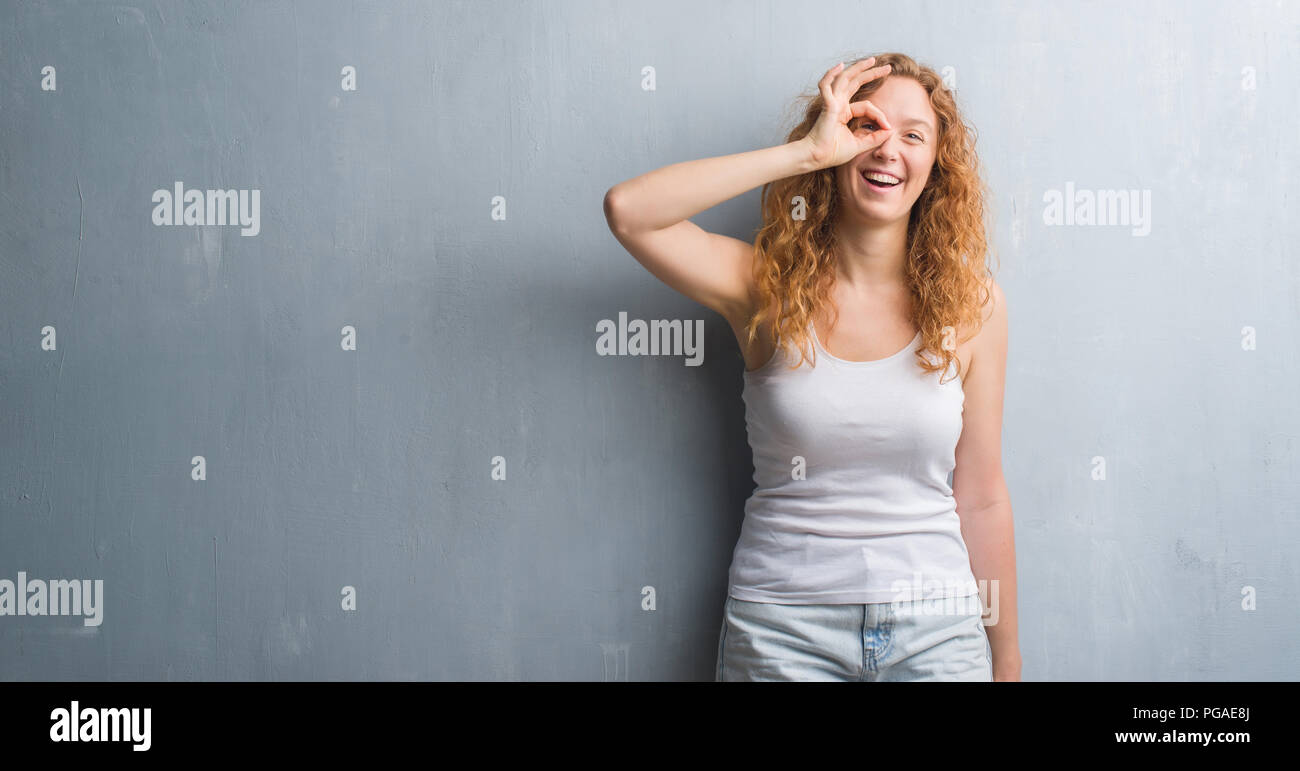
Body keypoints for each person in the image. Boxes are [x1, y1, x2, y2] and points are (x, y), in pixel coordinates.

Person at [603, 53, 1020, 682]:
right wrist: (805, 154)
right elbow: (629, 211)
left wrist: (1007, 657)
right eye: (868, 127)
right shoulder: (761, 286)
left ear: (936, 166)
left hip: (938, 631)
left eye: (913, 136)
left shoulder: (975, 305)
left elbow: (982, 497)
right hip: (782, 629)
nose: (887, 150)